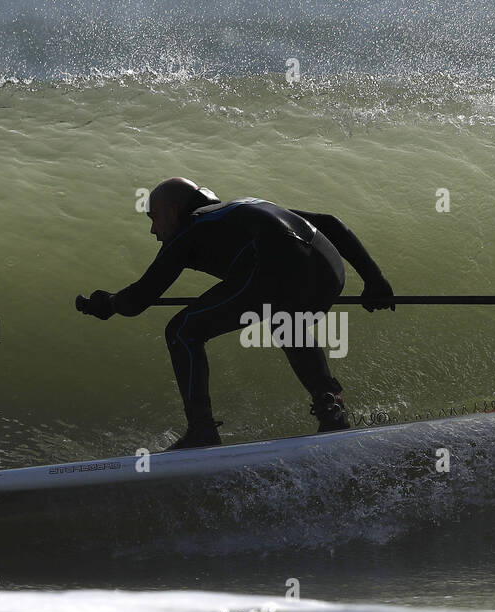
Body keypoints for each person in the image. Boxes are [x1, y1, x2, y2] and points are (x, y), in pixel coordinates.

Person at [77, 177, 394, 449]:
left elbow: (139, 300)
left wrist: (108, 303)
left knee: (182, 330)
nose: (153, 230)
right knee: (286, 321)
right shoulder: (245, 206)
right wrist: (374, 280)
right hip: (328, 269)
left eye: (153, 217)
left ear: (173, 212)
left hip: (276, 262)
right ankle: (331, 410)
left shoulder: (191, 227)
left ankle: (202, 430)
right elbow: (330, 223)